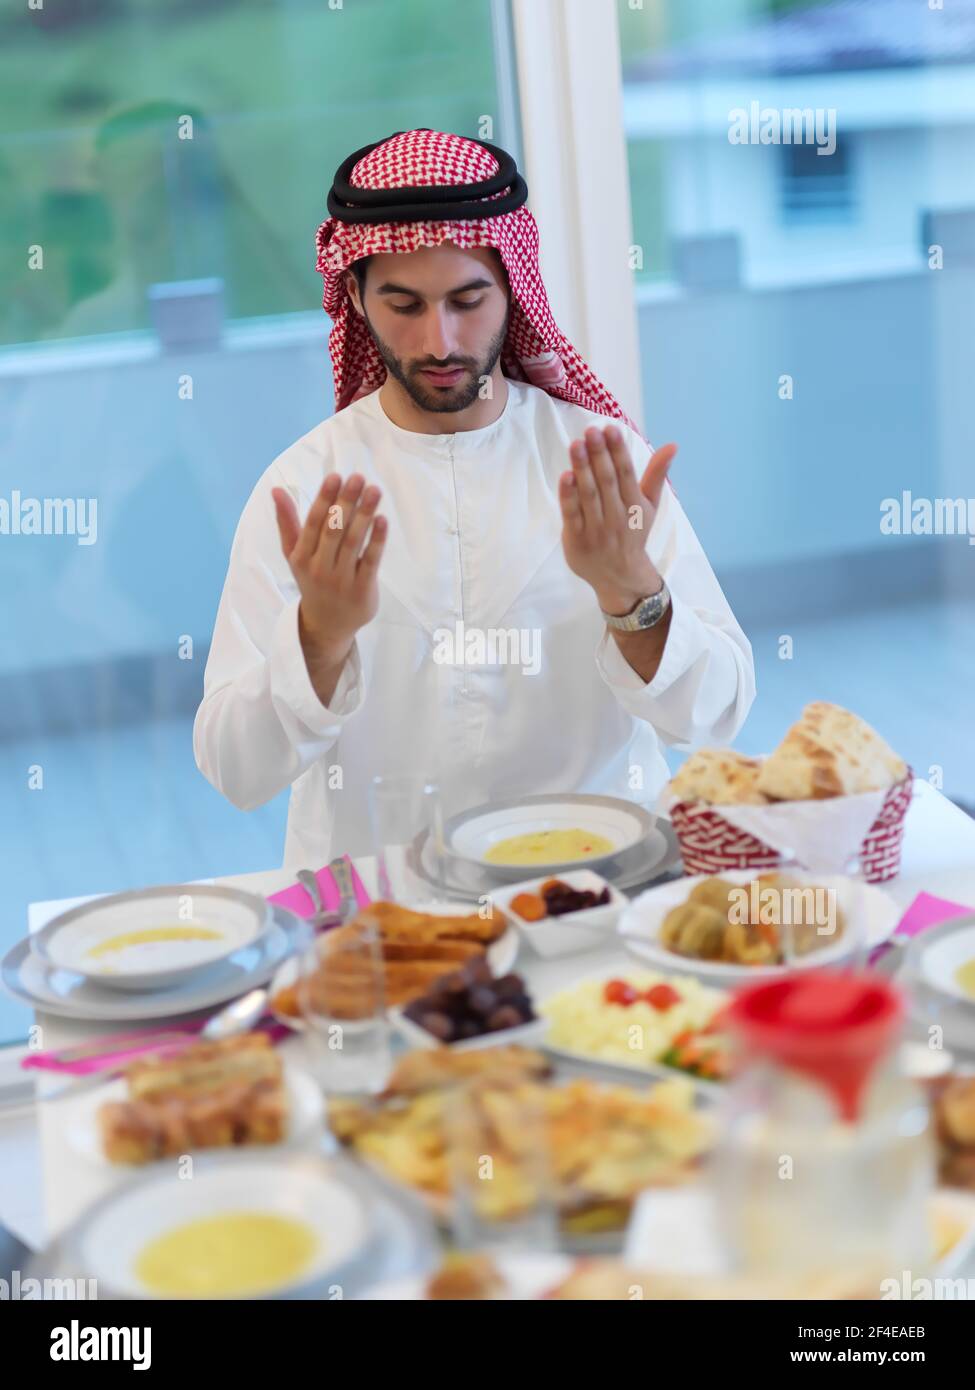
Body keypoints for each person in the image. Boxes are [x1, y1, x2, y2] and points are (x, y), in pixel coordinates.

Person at [193, 128, 755, 867]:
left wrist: (632, 595)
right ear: (354, 298)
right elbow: (236, 771)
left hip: (595, 886)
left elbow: (715, 716)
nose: (439, 340)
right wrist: (319, 639)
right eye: (403, 304)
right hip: (380, 917)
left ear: (512, 288)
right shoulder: (303, 489)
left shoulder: (601, 462)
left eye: (467, 299)